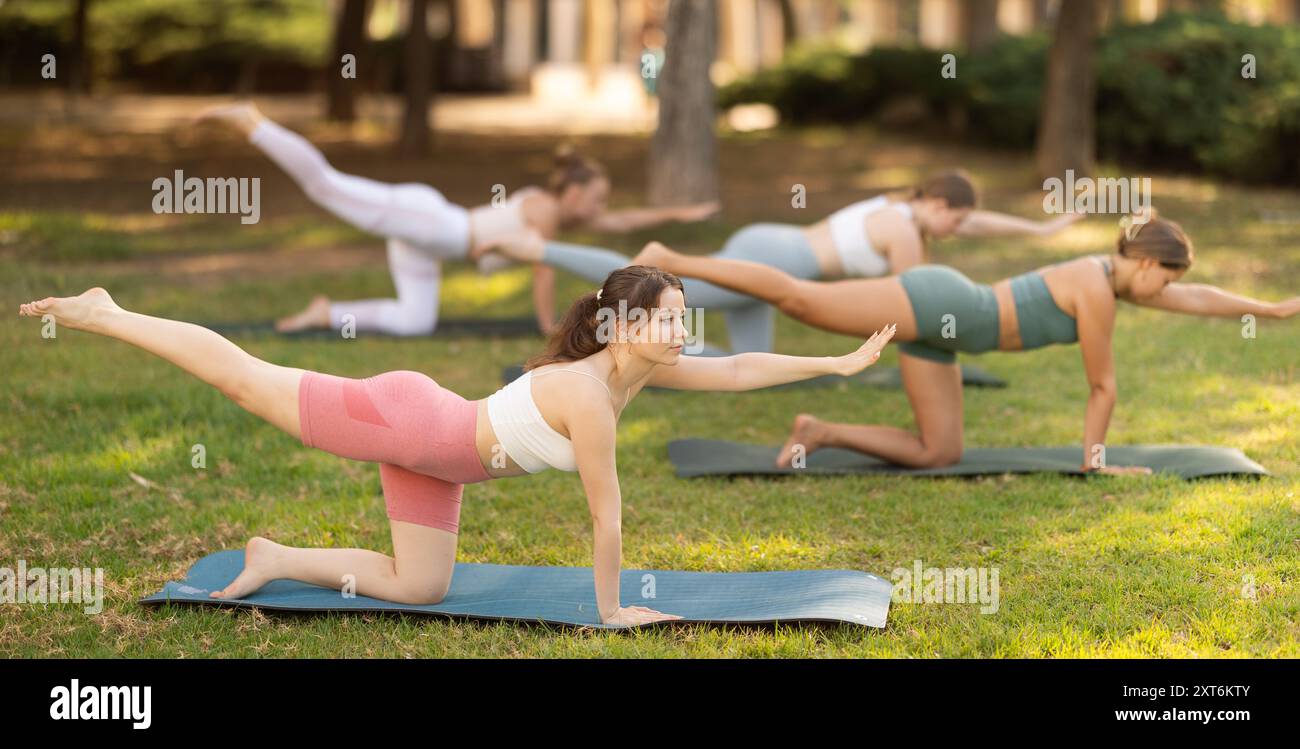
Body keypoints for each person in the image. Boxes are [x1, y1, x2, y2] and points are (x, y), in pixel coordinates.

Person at [18, 267, 895, 626]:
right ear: (625, 326)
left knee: (420, 585)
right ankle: (111, 312)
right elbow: (605, 516)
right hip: (407, 421)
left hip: (439, 461)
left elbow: (740, 370)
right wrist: (613, 608)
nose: (684, 329)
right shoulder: (590, 394)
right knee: (246, 378)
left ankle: (274, 554)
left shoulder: (633, 371)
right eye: (670, 317)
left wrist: (841, 359)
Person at [632, 212, 1299, 473]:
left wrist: (1269, 307)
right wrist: (1097, 460)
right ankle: (673, 257)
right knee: (799, 296)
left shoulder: (1114, 279)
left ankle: (820, 429)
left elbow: (1201, 298)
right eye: (1168, 281)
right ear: (1149, 266)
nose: (1168, 292)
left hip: (943, 339)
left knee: (939, 451)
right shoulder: (1095, 288)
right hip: (938, 302)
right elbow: (1104, 385)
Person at [197, 102, 718, 336]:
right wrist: (544, 325)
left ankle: (326, 312)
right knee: (326, 186)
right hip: (433, 224)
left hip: (426, 245)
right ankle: (254, 124)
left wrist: (679, 210)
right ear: (575, 191)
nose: (601, 211)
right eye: (598, 199)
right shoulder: (544, 211)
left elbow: (624, 223)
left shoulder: (565, 216)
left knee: (415, 321)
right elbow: (542, 270)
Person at [476, 170, 1080, 352]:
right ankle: (539, 249)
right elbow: (910, 290)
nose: (958, 230)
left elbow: (976, 218)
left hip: (776, 250)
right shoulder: (901, 229)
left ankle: (635, 349)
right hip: (775, 261)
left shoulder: (900, 205)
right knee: (653, 284)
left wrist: (1042, 226)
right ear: (934, 204)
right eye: (954, 218)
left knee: (747, 363)